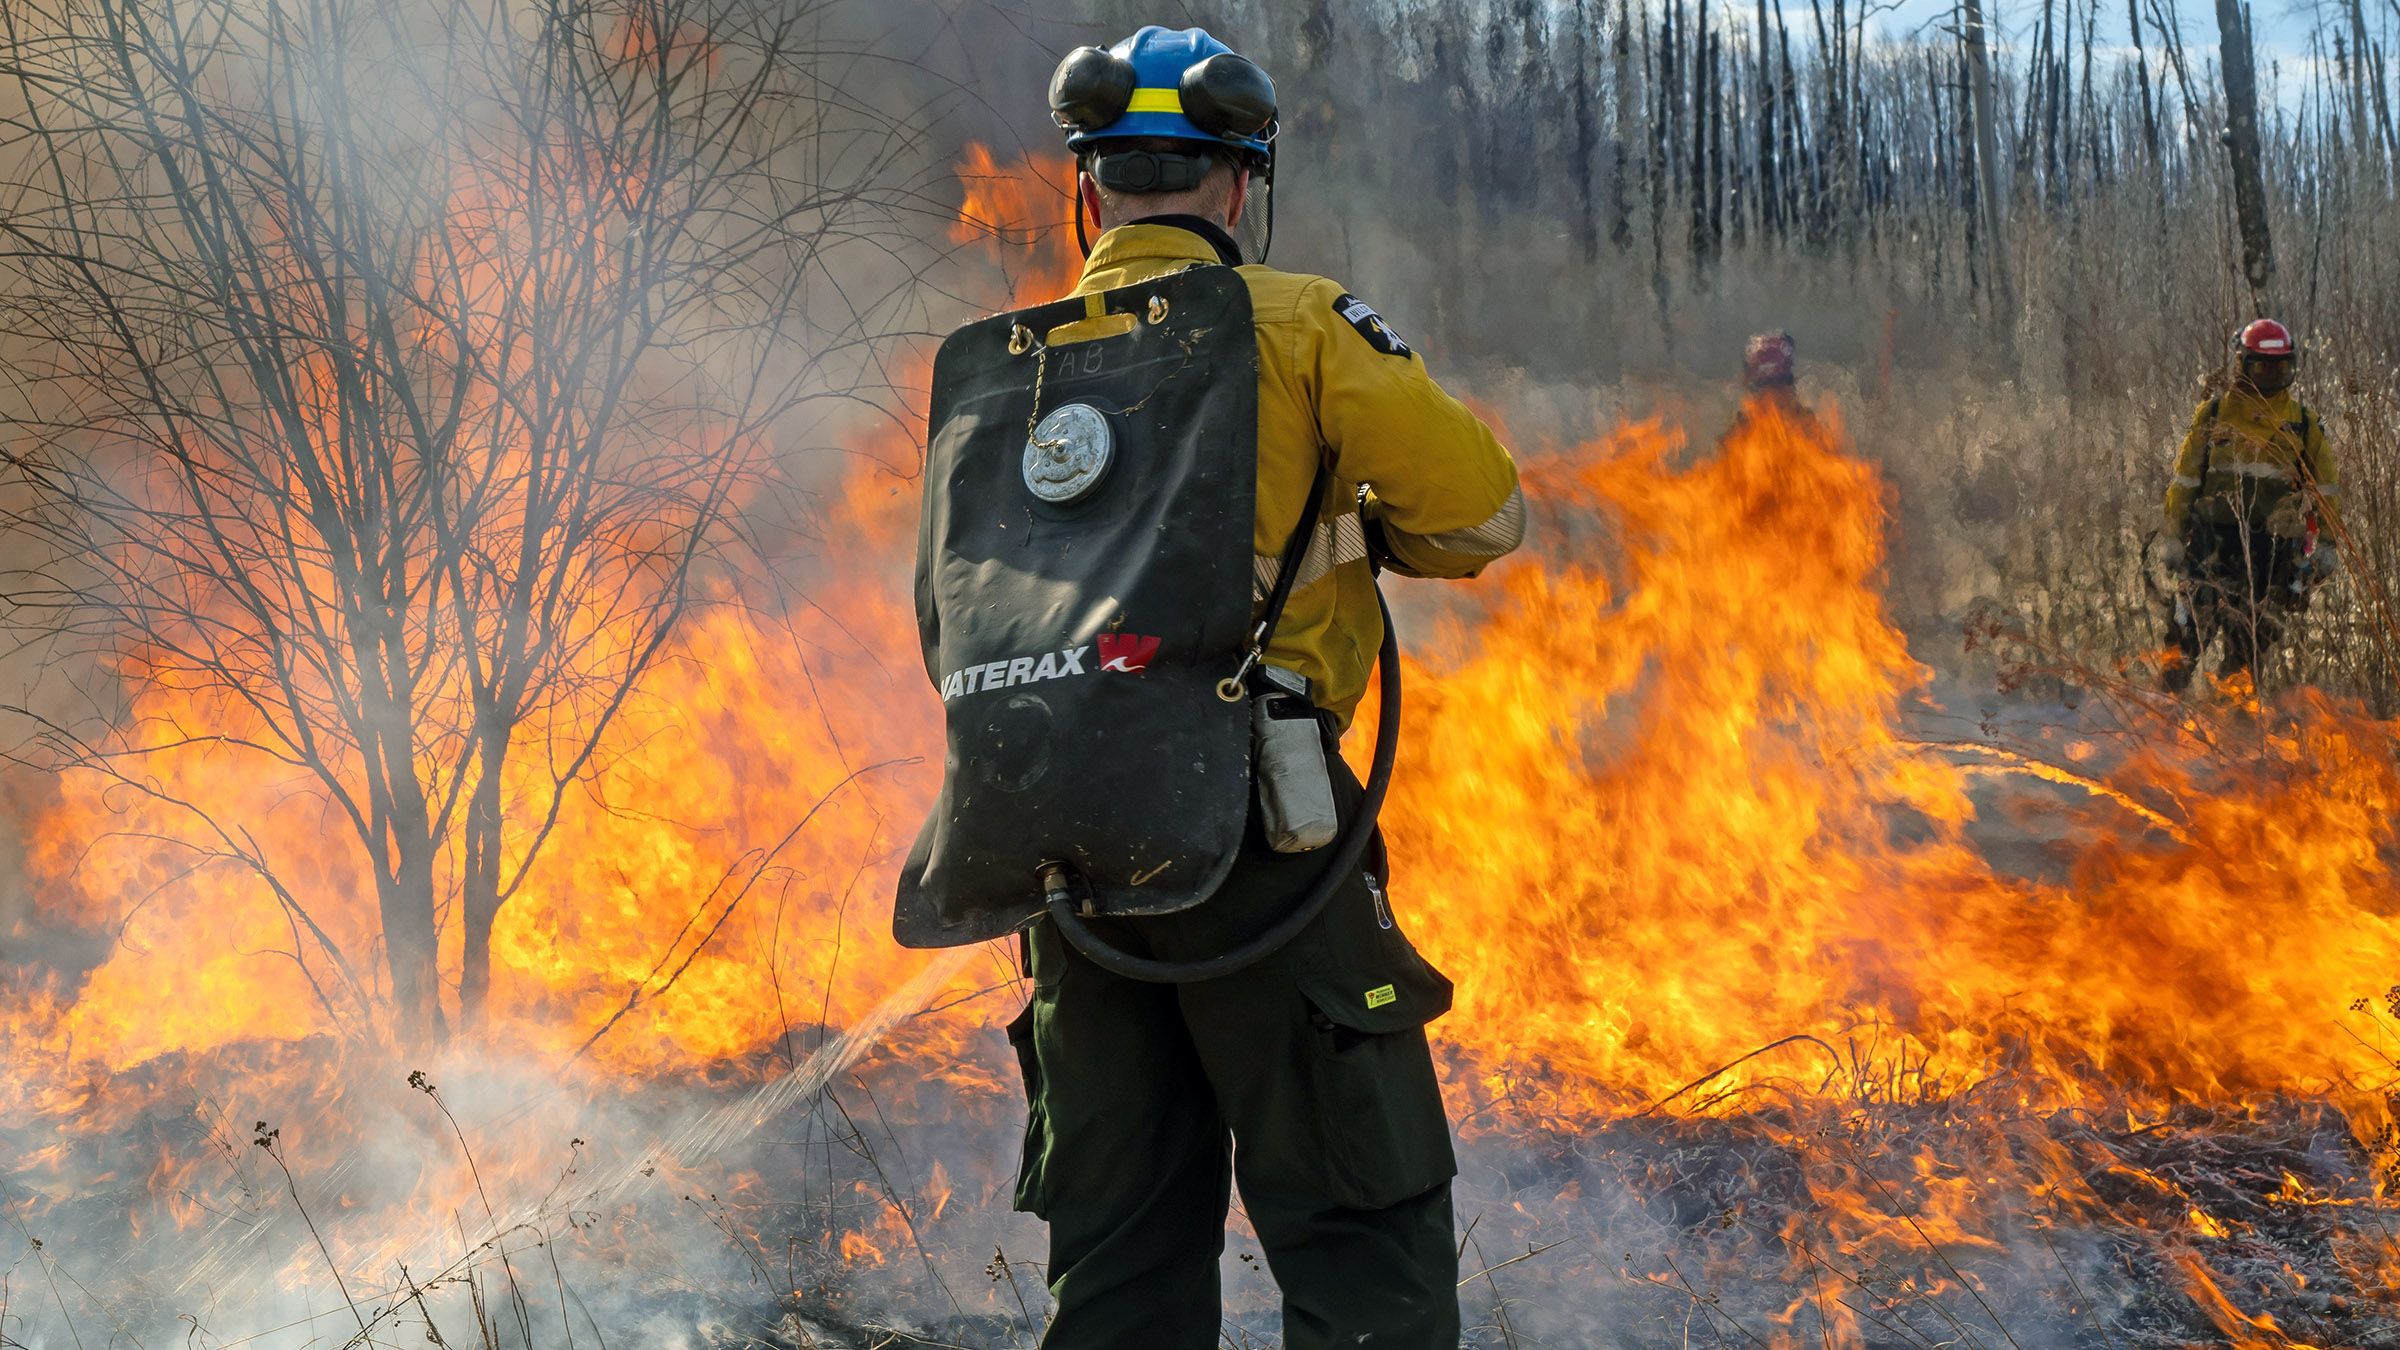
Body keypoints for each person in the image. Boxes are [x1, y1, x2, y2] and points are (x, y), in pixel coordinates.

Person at [996, 25, 1523, 1349]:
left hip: (1069, 854)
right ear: (1242, 187)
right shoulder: (1296, 323)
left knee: (1114, 1257)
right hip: (1259, 842)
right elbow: (1484, 512)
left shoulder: (1012, 363)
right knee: (1363, 1232)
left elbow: (952, 620)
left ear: (1090, 190)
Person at [2159, 319, 2342, 693]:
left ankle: (2234, 737)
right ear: (2243, 364)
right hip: (2211, 547)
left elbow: (2326, 489)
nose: (2272, 377)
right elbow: (2185, 481)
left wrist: (2327, 544)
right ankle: (2158, 724)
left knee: (2247, 657)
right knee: (2182, 641)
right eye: (2262, 367)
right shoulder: (2213, 415)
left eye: (2281, 369)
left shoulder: (2304, 424)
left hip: (2271, 556)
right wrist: (2173, 536)